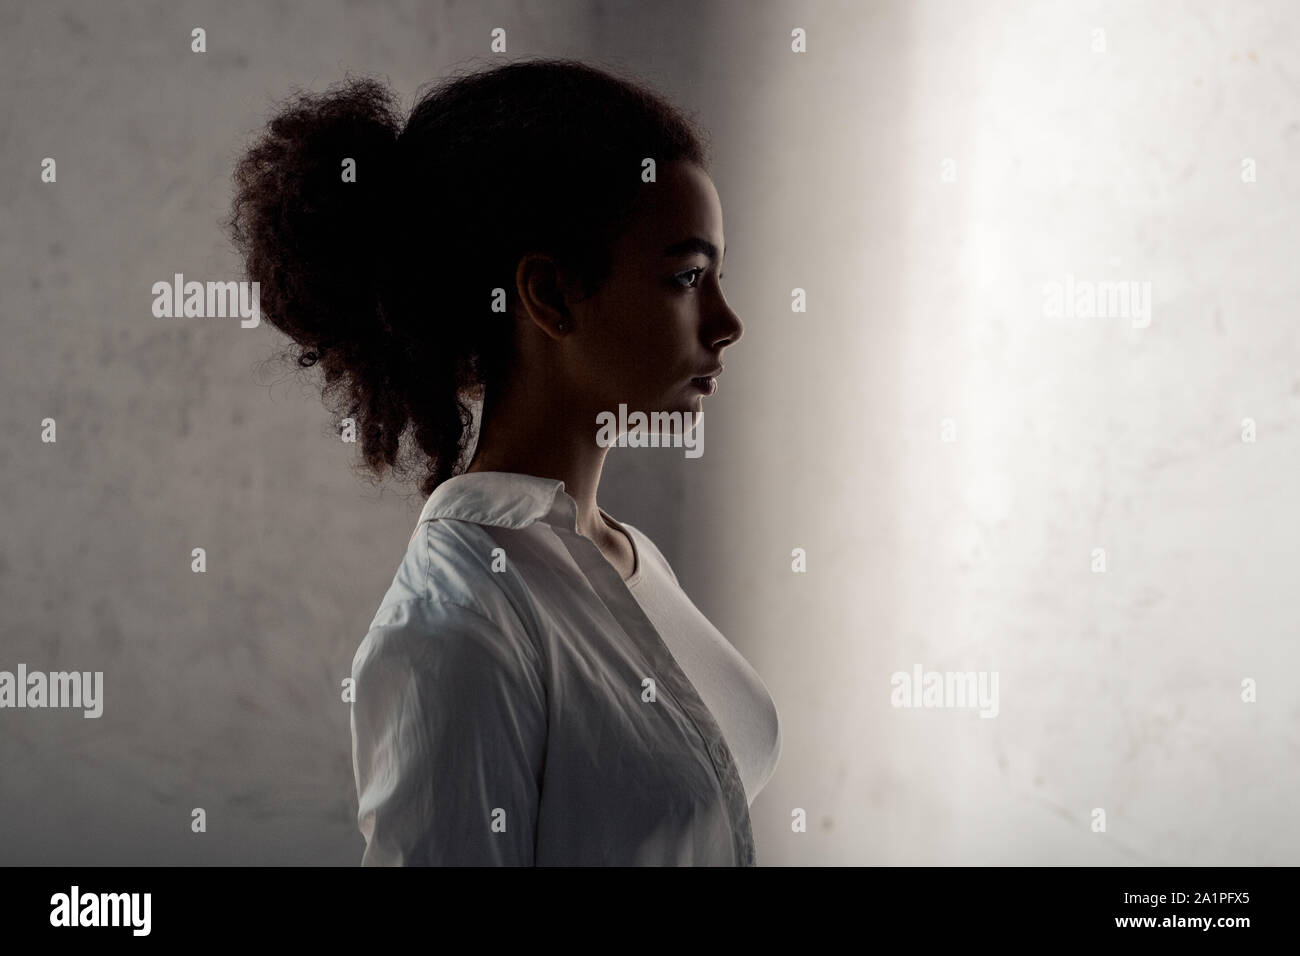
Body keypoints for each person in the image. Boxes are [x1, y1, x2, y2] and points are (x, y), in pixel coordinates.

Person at [228, 57, 780, 865]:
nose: (727, 322)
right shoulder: (455, 627)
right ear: (550, 296)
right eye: (687, 277)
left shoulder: (621, 555)